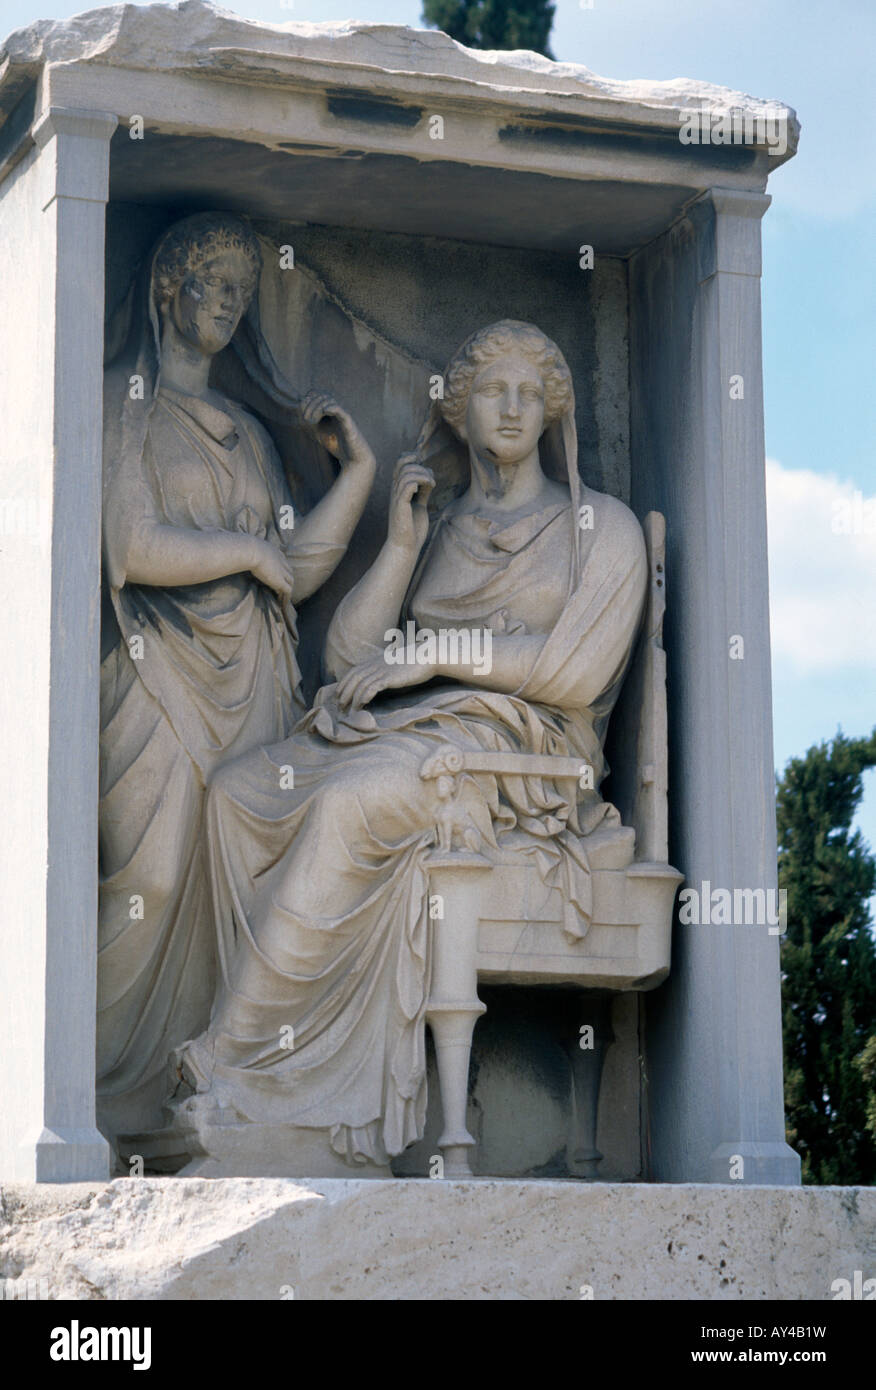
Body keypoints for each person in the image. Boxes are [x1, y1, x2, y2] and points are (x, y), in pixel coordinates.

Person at [171, 319, 648, 1171]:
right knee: (240, 791)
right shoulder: (446, 527)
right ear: (459, 411)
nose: (511, 408)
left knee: (351, 804)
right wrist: (398, 547)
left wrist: (434, 653)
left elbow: (575, 675)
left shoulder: (598, 529)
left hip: (514, 760)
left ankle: (244, 1072)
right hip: (409, 735)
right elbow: (350, 660)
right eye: (493, 391)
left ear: (551, 413)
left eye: (530, 394)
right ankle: (286, 1073)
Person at [97, 211, 376, 1142]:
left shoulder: (251, 436)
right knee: (155, 881)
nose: (224, 303)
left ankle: (206, 1101)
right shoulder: (121, 401)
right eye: (209, 282)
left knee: (246, 883)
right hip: (156, 676)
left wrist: (360, 478)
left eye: (240, 292)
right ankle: (88, 1097)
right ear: (165, 288)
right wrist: (245, 557)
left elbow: (292, 570)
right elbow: (132, 546)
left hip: (255, 679)